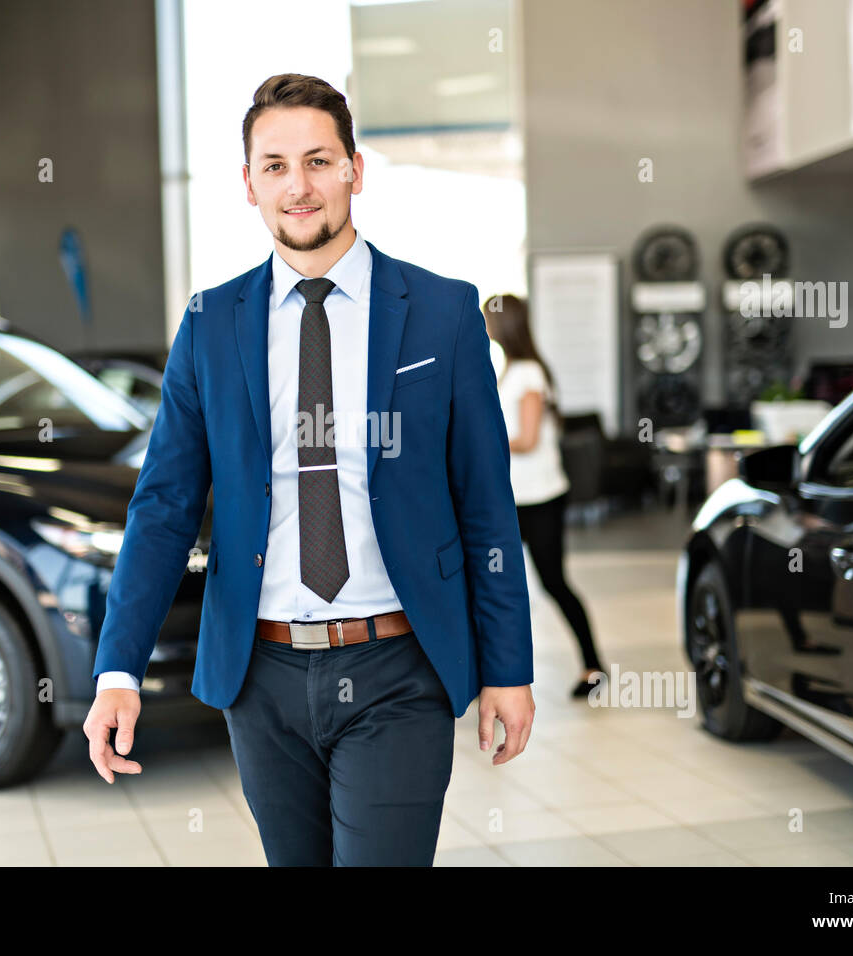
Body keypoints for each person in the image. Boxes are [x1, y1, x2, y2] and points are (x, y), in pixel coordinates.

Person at [83, 74, 535, 867]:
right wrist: (118, 666)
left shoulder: (441, 311)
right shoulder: (209, 326)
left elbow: (486, 504)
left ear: (355, 169)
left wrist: (508, 668)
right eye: (276, 165)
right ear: (249, 182)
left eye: (319, 161)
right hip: (261, 675)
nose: (299, 186)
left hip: (397, 666)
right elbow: (163, 508)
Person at [483, 293, 603, 698]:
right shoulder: (512, 370)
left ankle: (593, 666)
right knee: (491, 581)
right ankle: (490, 674)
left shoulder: (529, 373)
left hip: (541, 496)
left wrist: (482, 439)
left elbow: (529, 439)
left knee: (553, 581)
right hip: (514, 497)